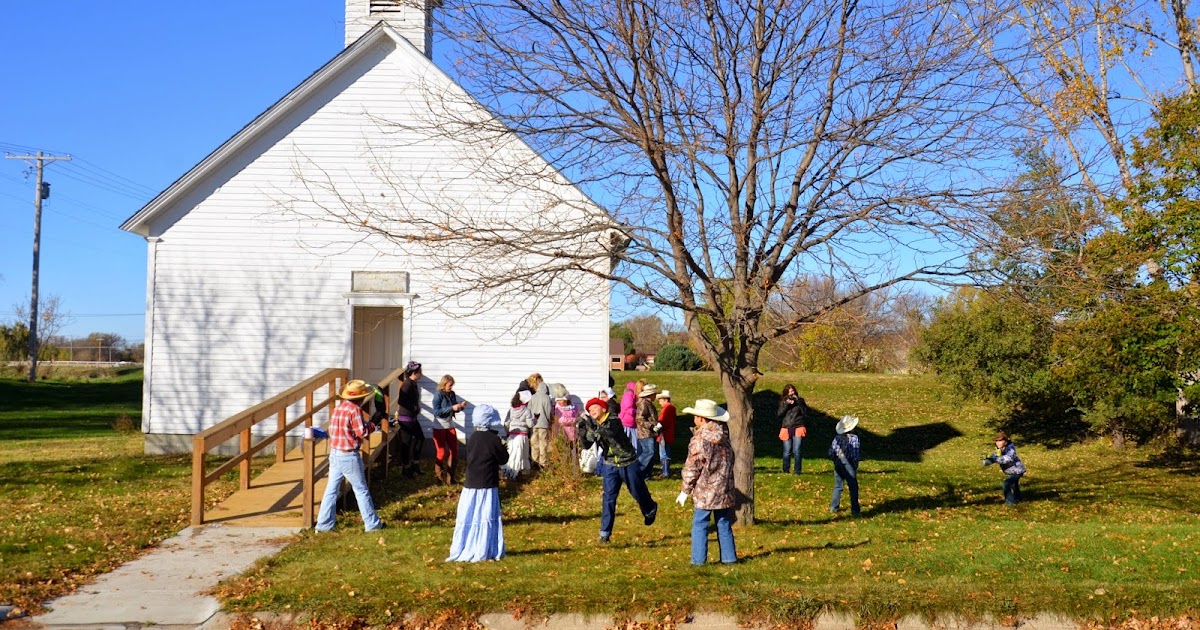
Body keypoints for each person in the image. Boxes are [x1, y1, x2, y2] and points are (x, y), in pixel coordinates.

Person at [578, 397, 658, 544]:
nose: (591, 410)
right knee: (608, 498)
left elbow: (609, 433)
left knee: (637, 492)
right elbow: (587, 444)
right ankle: (605, 534)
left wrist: (592, 427)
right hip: (610, 465)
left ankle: (650, 509)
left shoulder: (614, 421)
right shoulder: (595, 425)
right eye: (589, 409)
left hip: (628, 462)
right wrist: (582, 431)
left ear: (603, 409)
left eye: (594, 407)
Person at [315, 379, 385, 532]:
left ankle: (324, 525)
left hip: (335, 453)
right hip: (348, 455)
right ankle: (372, 524)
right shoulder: (355, 410)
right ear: (362, 397)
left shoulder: (338, 408)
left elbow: (342, 429)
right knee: (361, 490)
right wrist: (374, 422)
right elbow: (362, 432)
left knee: (331, 490)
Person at [676, 398, 737, 565]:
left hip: (706, 491)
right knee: (724, 522)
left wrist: (685, 490)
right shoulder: (724, 437)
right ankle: (729, 558)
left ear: (701, 419)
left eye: (695, 416)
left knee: (700, 523)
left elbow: (692, 467)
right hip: (724, 488)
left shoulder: (699, 440)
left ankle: (698, 560)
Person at [447, 404, 510, 562]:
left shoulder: (473, 437)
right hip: (487, 483)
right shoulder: (493, 439)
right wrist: (503, 446)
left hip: (470, 483)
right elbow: (503, 459)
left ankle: (467, 545)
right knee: (485, 516)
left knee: (470, 516)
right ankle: (484, 547)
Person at [431, 375, 467, 485]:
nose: (451, 387)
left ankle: (451, 478)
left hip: (450, 424)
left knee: (454, 451)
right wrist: (451, 408)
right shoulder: (438, 395)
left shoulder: (452, 394)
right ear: (444, 384)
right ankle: (439, 479)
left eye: (452, 385)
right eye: (450, 385)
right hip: (439, 426)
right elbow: (437, 412)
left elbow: (454, 409)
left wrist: (460, 407)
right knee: (441, 453)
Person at [395, 361, 425, 477]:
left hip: (412, 417)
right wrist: (414, 408)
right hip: (405, 418)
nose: (421, 374)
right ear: (414, 373)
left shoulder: (413, 383)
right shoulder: (407, 384)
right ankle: (406, 468)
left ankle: (415, 463)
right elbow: (401, 401)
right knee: (406, 443)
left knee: (420, 438)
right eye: (420, 372)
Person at [829, 415, 861, 516]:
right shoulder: (854, 438)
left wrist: (835, 460)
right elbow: (855, 453)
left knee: (838, 485)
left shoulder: (837, 438)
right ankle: (855, 510)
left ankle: (834, 507)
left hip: (838, 462)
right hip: (848, 463)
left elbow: (831, 452)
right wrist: (855, 465)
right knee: (853, 487)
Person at [982, 432, 1027, 505]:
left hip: (1017, 471)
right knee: (1014, 485)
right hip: (1011, 471)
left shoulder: (1010, 449)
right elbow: (994, 456)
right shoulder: (999, 450)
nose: (998, 443)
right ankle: (1018, 498)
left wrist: (996, 459)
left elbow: (1008, 458)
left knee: (1006, 484)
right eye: (996, 441)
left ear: (1005, 442)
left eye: (1000, 441)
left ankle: (1010, 502)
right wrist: (988, 460)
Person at [777, 384, 808, 474]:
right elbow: (779, 414)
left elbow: (805, 412)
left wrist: (798, 401)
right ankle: (786, 470)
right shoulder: (783, 401)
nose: (791, 393)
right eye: (789, 392)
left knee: (797, 450)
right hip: (786, 427)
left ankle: (797, 471)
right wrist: (786, 404)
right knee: (787, 451)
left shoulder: (800, 400)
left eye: (792, 391)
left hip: (798, 425)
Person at [503, 390, 533, 478]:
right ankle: (518, 475)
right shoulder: (526, 410)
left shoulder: (511, 410)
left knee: (511, 455)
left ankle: (509, 474)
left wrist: (508, 432)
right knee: (521, 456)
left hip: (512, 436)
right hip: (522, 436)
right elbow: (530, 424)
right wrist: (535, 420)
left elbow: (506, 423)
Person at [528, 375, 554, 469]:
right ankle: (543, 463)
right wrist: (549, 421)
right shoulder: (547, 398)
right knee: (543, 444)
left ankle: (534, 461)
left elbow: (529, 410)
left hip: (534, 424)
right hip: (544, 424)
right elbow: (548, 411)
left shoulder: (532, 397)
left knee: (534, 443)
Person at [635, 384, 660, 477]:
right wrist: (651, 426)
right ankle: (637, 471)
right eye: (654, 394)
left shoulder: (647, 403)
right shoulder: (644, 404)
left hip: (649, 433)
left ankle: (646, 474)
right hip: (645, 433)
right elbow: (639, 418)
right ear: (650, 394)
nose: (655, 396)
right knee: (649, 452)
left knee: (650, 454)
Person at [552, 389, 580, 459]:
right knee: (565, 451)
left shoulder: (573, 407)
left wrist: (576, 420)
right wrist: (573, 420)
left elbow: (578, 416)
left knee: (574, 451)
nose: (559, 402)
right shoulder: (557, 408)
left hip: (573, 433)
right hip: (562, 432)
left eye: (560, 400)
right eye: (558, 400)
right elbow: (561, 420)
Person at [655, 390, 677, 479]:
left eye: (660, 399)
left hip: (664, 434)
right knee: (666, 452)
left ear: (665, 400)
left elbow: (663, 421)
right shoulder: (671, 408)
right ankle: (666, 471)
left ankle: (665, 472)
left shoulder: (667, 408)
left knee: (663, 453)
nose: (659, 402)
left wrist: (656, 428)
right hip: (669, 433)